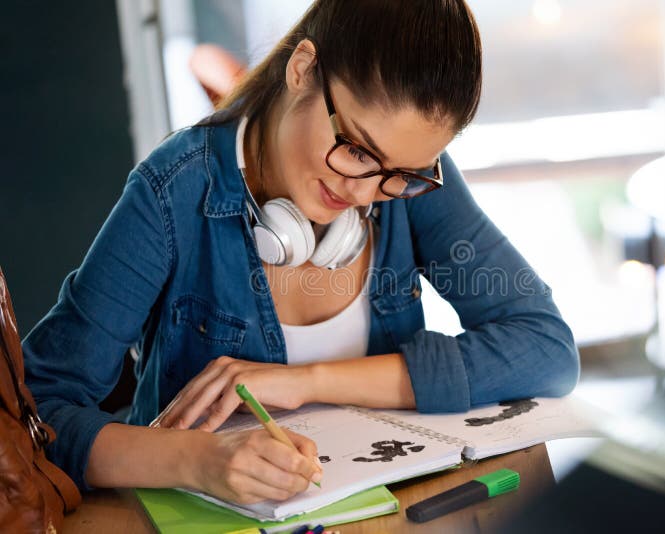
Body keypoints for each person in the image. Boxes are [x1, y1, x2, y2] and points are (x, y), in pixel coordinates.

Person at [23, 0, 579, 506]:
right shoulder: (173, 193)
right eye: (356, 149)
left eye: (399, 175)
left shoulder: (405, 183)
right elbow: (38, 411)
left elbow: (546, 347)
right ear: (303, 68)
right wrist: (196, 461)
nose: (364, 195)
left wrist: (308, 380)